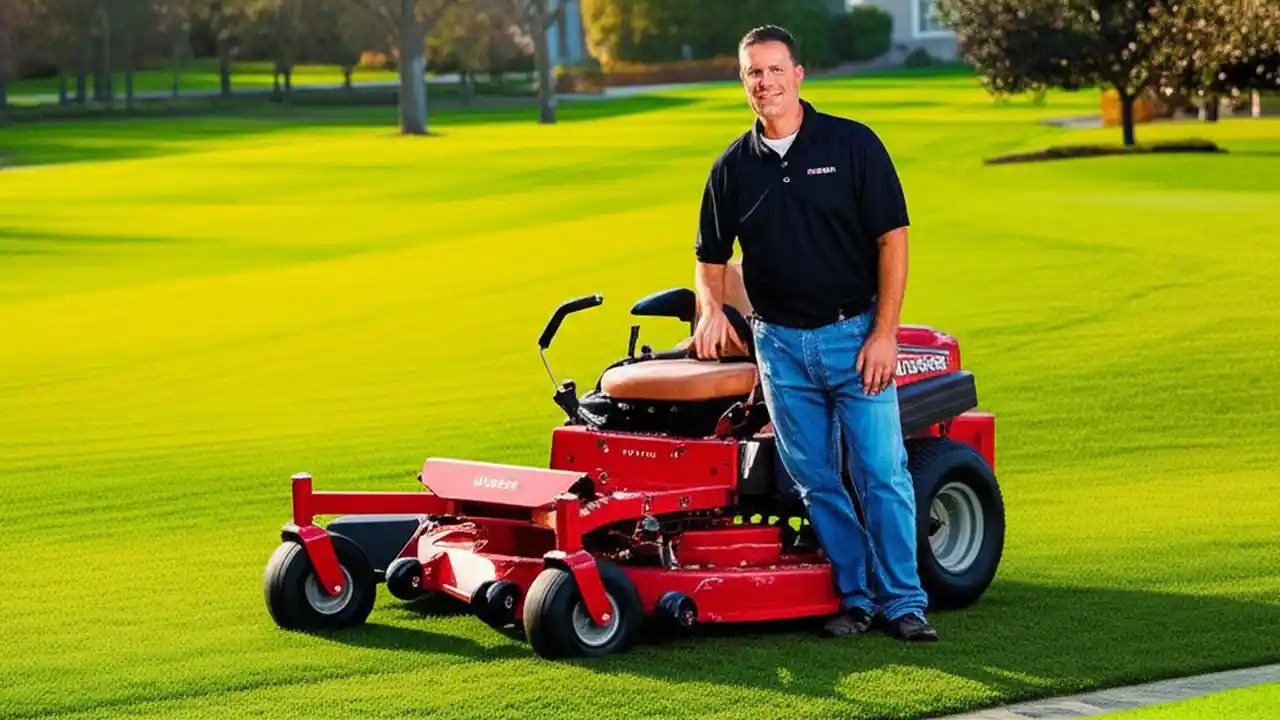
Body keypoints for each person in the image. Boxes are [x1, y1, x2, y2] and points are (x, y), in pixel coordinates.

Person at [691, 25, 937, 643]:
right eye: (753, 73)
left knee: (882, 474)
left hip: (856, 339)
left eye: (775, 69)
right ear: (743, 81)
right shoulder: (731, 169)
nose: (765, 83)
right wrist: (711, 309)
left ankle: (904, 602)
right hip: (780, 350)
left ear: (799, 74)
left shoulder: (852, 144)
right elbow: (709, 257)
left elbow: (893, 241)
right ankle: (858, 598)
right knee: (817, 481)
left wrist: (885, 334)